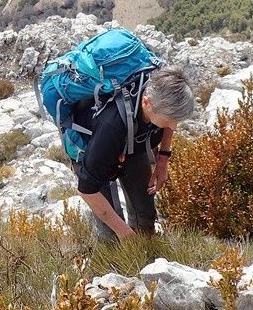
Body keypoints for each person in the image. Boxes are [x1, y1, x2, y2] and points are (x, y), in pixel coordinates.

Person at [71, 64, 195, 240]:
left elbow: (170, 119)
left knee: (145, 214)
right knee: (110, 232)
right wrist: (126, 234)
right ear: (146, 102)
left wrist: (162, 160)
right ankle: (113, 261)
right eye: (169, 119)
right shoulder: (111, 126)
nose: (173, 127)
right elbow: (87, 191)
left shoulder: (161, 96)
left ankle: (144, 254)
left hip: (134, 144)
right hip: (93, 146)